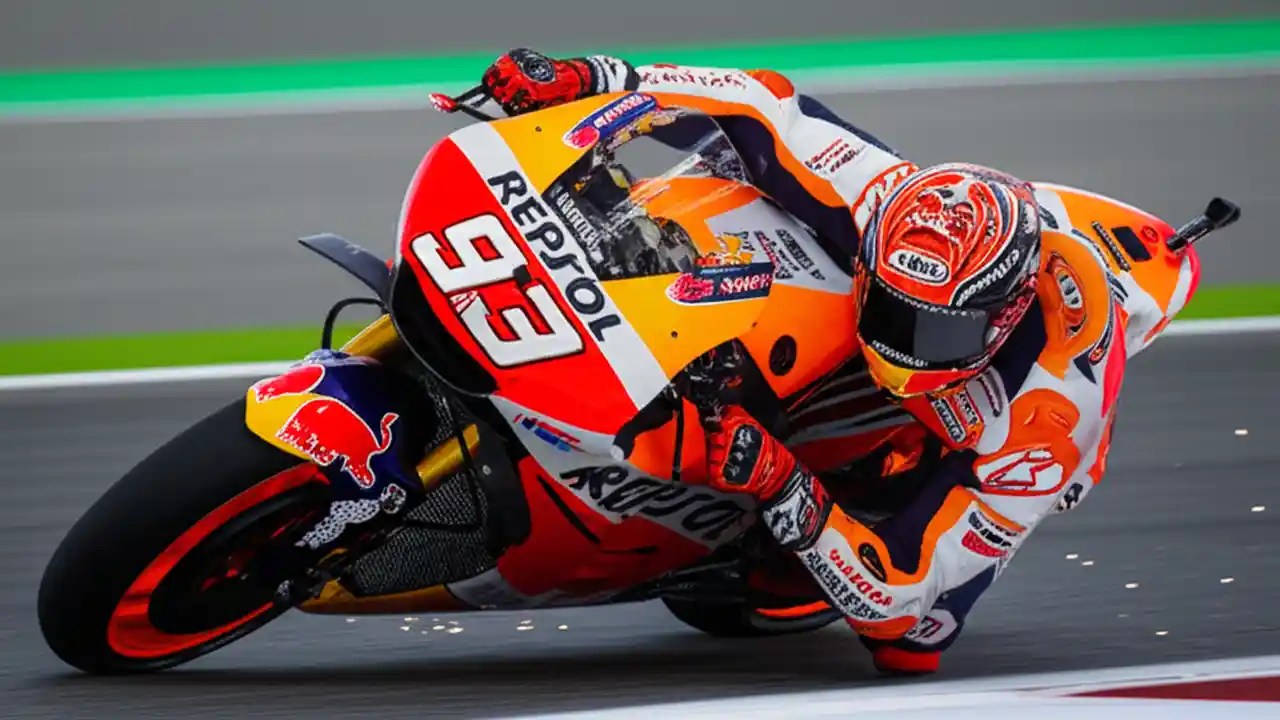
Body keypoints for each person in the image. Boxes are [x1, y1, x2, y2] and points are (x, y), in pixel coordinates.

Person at [478, 49, 1202, 674]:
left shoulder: (1046, 412)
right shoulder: (876, 196)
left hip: (1015, 426)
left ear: (1001, 317)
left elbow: (900, 599)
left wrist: (783, 484)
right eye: (887, 309)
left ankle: (831, 496)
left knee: (911, 643)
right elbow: (754, 100)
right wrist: (590, 78)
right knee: (738, 181)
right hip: (958, 235)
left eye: (931, 333)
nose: (900, 348)